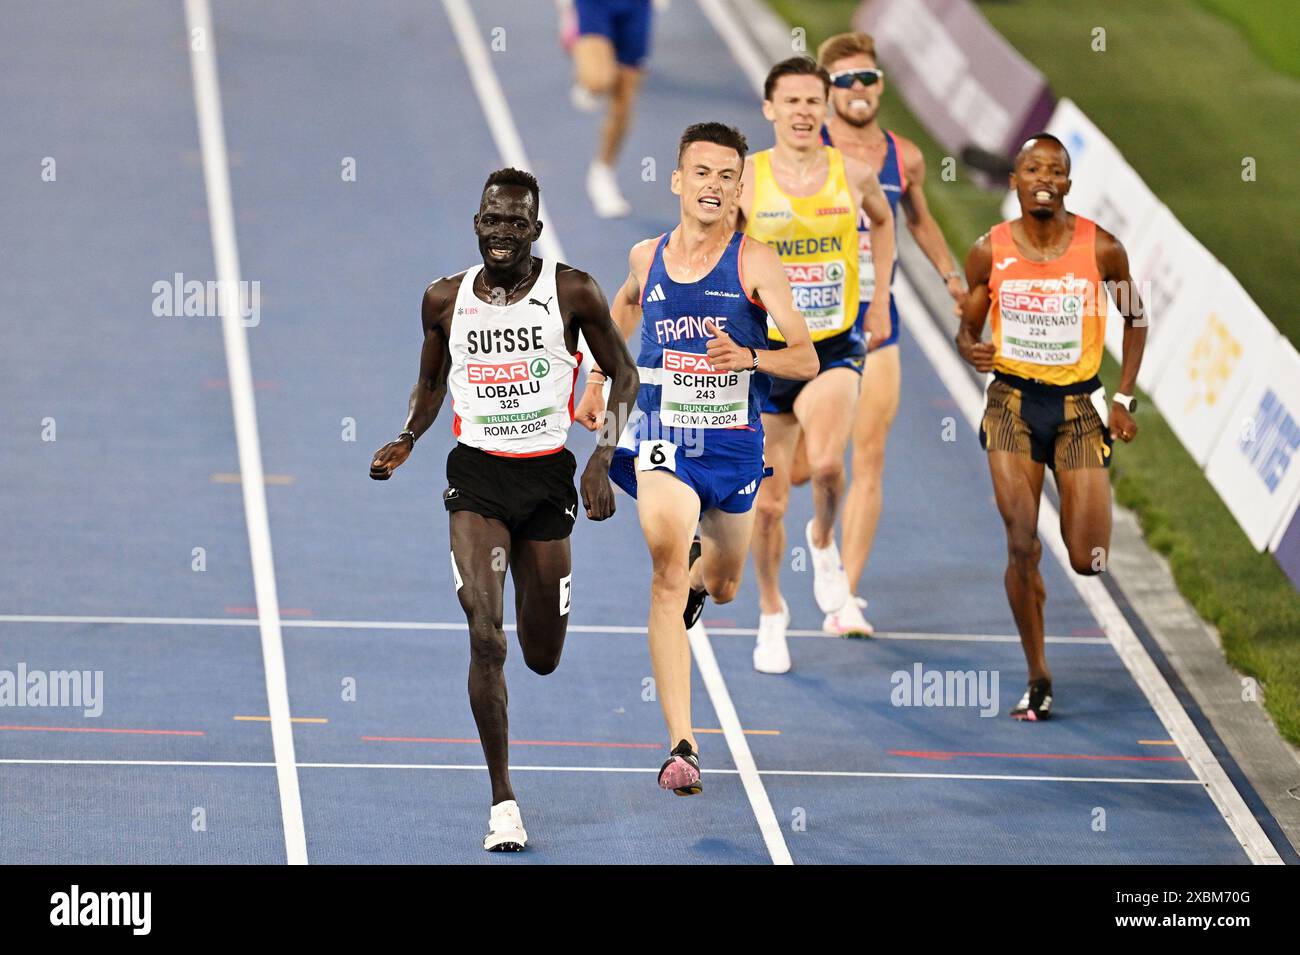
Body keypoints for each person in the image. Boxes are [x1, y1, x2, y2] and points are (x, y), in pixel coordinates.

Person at [369, 168, 637, 848]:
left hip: (546, 480)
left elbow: (625, 374)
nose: (502, 232)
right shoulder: (443, 298)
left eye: (517, 222)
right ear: (477, 222)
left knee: (541, 653)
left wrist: (604, 456)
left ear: (535, 230)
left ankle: (533, 602)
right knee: (484, 633)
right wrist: (406, 436)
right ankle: (504, 800)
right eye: (492, 219)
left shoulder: (572, 291)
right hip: (478, 480)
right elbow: (431, 381)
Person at [575, 122, 817, 792]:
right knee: (663, 565)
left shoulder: (755, 262)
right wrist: (597, 381)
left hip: (734, 444)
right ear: (679, 180)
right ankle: (683, 743)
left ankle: (699, 579)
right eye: (701, 173)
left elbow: (806, 355)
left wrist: (751, 357)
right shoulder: (645, 257)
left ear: (741, 189)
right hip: (663, 433)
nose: (713, 186)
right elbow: (616, 314)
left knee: (727, 581)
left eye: (726, 177)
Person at [956, 134, 1145, 721]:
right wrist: (971, 349)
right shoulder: (989, 251)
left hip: (1078, 412)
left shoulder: (1102, 249)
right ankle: (1038, 674)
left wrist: (1125, 399)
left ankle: (1038, 578)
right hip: (1011, 404)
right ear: (1013, 180)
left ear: (1068, 182)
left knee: (1089, 559)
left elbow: (1136, 318)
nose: (1044, 177)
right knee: (1020, 542)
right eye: (1032, 168)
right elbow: (967, 327)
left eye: (1055, 170)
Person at [788, 32, 967, 636]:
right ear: (826, 90)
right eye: (845, 82)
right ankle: (795, 531)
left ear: (880, 85)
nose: (858, 90)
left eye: (868, 79)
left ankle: (844, 597)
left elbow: (918, 218)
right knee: (801, 466)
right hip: (809, 327)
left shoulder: (904, 156)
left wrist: (950, 276)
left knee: (870, 455)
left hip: (876, 324)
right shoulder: (806, 152)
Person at [737, 56, 896, 673]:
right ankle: (772, 612)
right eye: (792, 102)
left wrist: (878, 296)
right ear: (770, 110)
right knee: (770, 506)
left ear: (825, 110)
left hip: (833, 346)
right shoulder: (747, 181)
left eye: (813, 101)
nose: (804, 112)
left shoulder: (853, 173)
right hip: (769, 353)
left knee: (829, 464)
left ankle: (824, 543)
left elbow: (883, 225)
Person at [560, 0, 656, 217]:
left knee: (624, 101)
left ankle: (602, 171)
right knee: (599, 80)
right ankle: (577, 36)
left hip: (636, 7)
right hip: (597, 4)